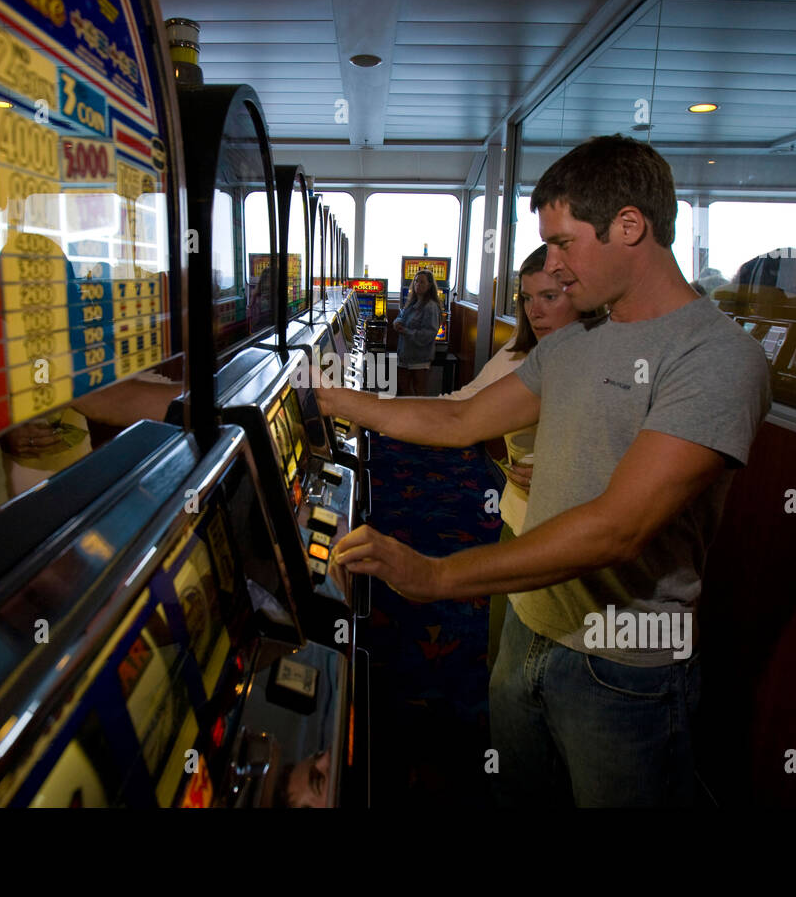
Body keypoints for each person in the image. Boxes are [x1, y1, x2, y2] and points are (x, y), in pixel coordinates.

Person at [316, 134, 771, 806]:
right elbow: (460, 421)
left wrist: (439, 575)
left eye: (563, 244)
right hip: (529, 626)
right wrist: (326, 397)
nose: (553, 269)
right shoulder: (578, 341)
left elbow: (617, 529)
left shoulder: (716, 358)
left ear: (628, 225)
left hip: (621, 662)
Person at [442, 245, 581, 666]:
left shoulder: (602, 358)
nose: (534, 311)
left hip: (573, 536)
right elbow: (462, 409)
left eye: (550, 297)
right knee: (504, 659)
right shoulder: (520, 353)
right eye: (526, 298)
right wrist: (351, 402)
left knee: (554, 662)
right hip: (517, 518)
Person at [393, 269, 441, 396]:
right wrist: (397, 322)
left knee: (419, 391)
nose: (417, 284)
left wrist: (406, 331)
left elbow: (429, 334)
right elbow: (401, 316)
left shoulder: (431, 306)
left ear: (429, 285)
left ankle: (420, 415)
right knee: (403, 386)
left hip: (420, 357)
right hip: (405, 354)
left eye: (422, 282)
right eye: (416, 281)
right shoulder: (411, 302)